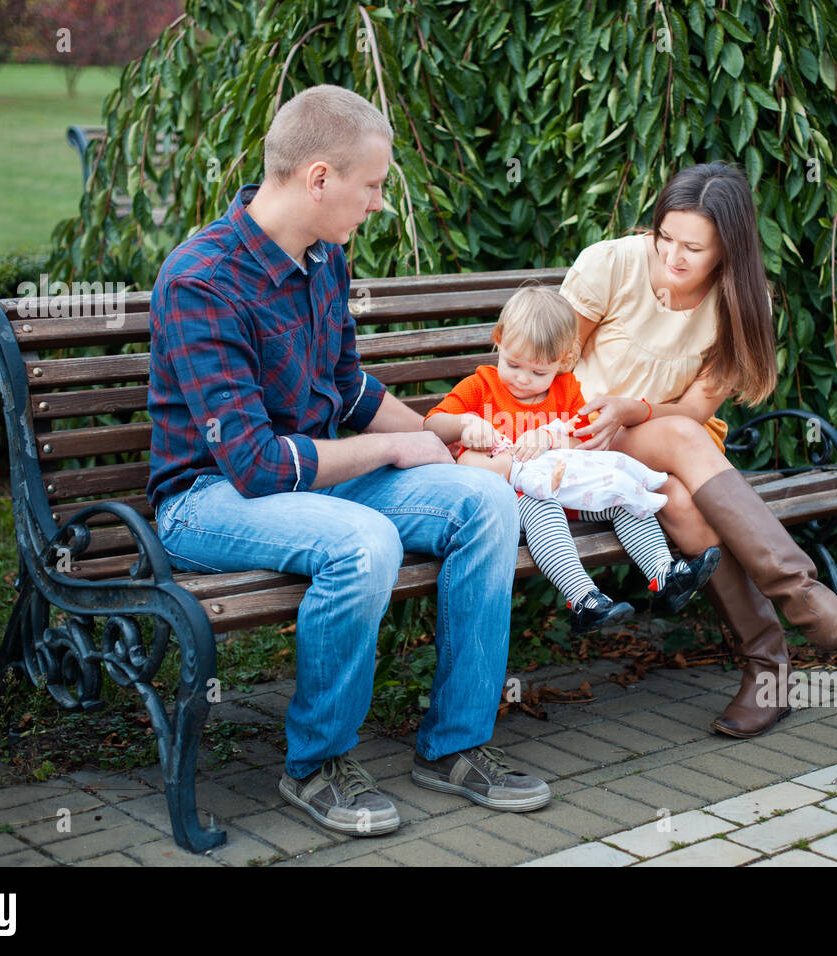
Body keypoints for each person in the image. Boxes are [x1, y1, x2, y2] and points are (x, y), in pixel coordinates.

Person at [146, 85, 550, 838]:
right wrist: (397, 448)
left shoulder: (321, 258)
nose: (376, 204)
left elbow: (346, 387)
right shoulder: (201, 279)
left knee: (484, 502)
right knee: (364, 543)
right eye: (371, 186)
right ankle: (316, 765)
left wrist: (445, 439)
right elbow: (256, 465)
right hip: (208, 499)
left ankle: (456, 743)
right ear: (320, 178)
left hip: (317, 479)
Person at [558, 161, 837, 739]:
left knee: (682, 485)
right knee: (678, 496)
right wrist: (605, 415)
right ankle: (804, 609)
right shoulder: (610, 265)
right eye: (665, 238)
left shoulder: (739, 299)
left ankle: (771, 663)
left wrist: (638, 409)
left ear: (728, 250)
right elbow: (549, 371)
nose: (673, 258)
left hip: (668, 433)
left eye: (694, 248)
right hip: (582, 437)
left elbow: (695, 411)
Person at [424, 287, 721, 634]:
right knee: (541, 505)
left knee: (623, 497)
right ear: (499, 341)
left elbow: (586, 439)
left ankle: (664, 575)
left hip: (571, 492)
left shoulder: (566, 390)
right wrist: (466, 423)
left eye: (538, 373)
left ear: (562, 361)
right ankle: (583, 600)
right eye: (513, 364)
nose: (522, 379)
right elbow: (432, 424)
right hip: (513, 499)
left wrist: (549, 436)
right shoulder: (482, 386)